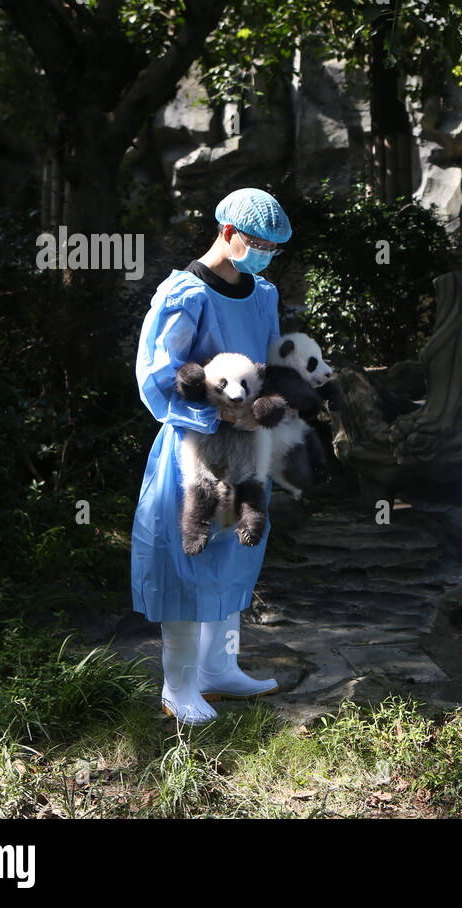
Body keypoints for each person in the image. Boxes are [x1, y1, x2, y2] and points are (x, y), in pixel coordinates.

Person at [131, 188, 292, 725]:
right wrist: (216, 415)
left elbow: (268, 362)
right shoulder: (185, 295)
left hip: (248, 448)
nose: (267, 254)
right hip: (192, 447)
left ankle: (220, 668)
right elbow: (157, 377)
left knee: (236, 552)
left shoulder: (263, 293)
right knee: (186, 558)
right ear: (228, 234)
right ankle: (178, 685)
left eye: (275, 248)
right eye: (259, 244)